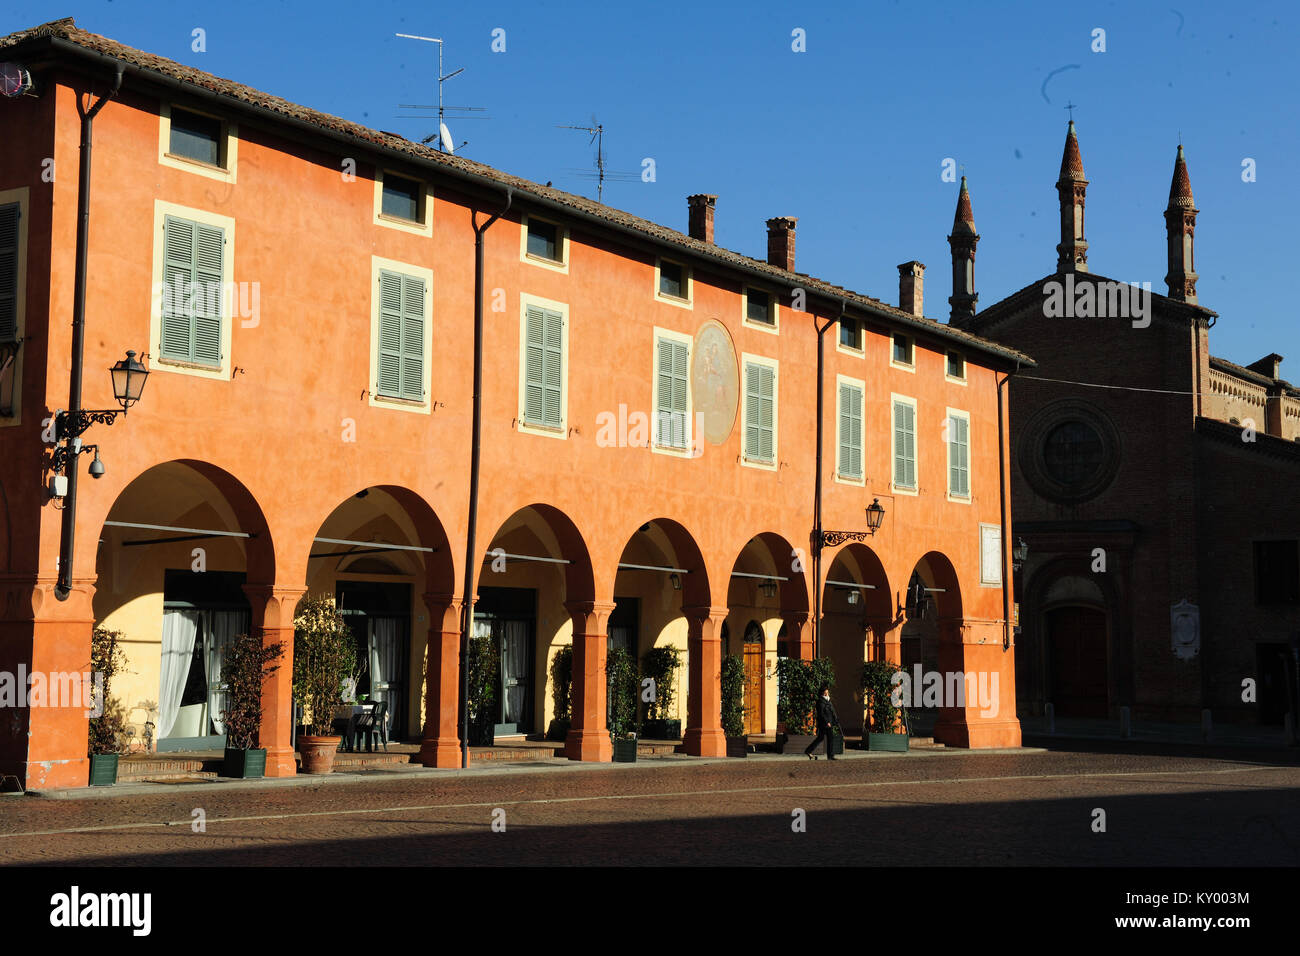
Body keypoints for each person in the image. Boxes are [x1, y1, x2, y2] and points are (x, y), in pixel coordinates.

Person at [805, 685, 841, 760]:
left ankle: (808, 750)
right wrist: (827, 722)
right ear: (823, 692)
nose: (827, 692)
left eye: (827, 691)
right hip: (825, 723)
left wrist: (835, 719)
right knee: (830, 738)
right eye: (826, 691)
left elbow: (832, 711)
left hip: (829, 722)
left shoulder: (827, 700)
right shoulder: (820, 701)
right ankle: (830, 756)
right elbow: (821, 713)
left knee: (821, 738)